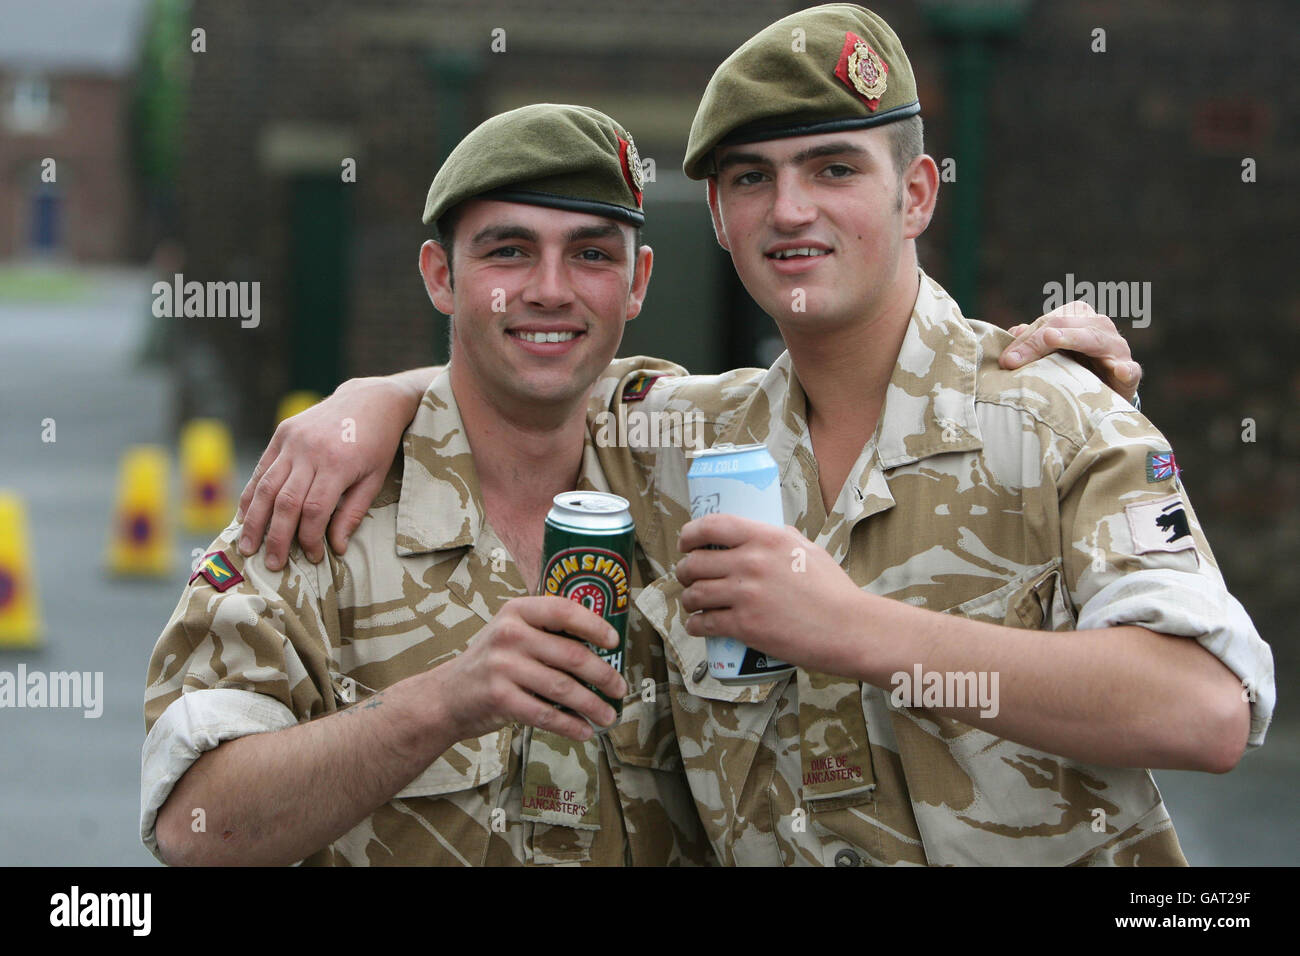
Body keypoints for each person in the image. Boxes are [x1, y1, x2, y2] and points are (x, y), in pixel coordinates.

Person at [233, 8, 1274, 868]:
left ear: (913, 195)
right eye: (748, 180)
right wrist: (370, 396)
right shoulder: (686, 438)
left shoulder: (1052, 411)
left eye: (831, 169)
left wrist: (854, 627)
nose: (789, 210)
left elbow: (1203, 708)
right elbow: (525, 372)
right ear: (719, 219)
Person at [141, 104, 715, 866]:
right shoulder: (321, 511)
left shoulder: (692, 473)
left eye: (591, 255)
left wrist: (389, 390)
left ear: (636, 282)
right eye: (508, 252)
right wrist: (444, 702)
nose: (549, 289)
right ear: (441, 276)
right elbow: (194, 826)